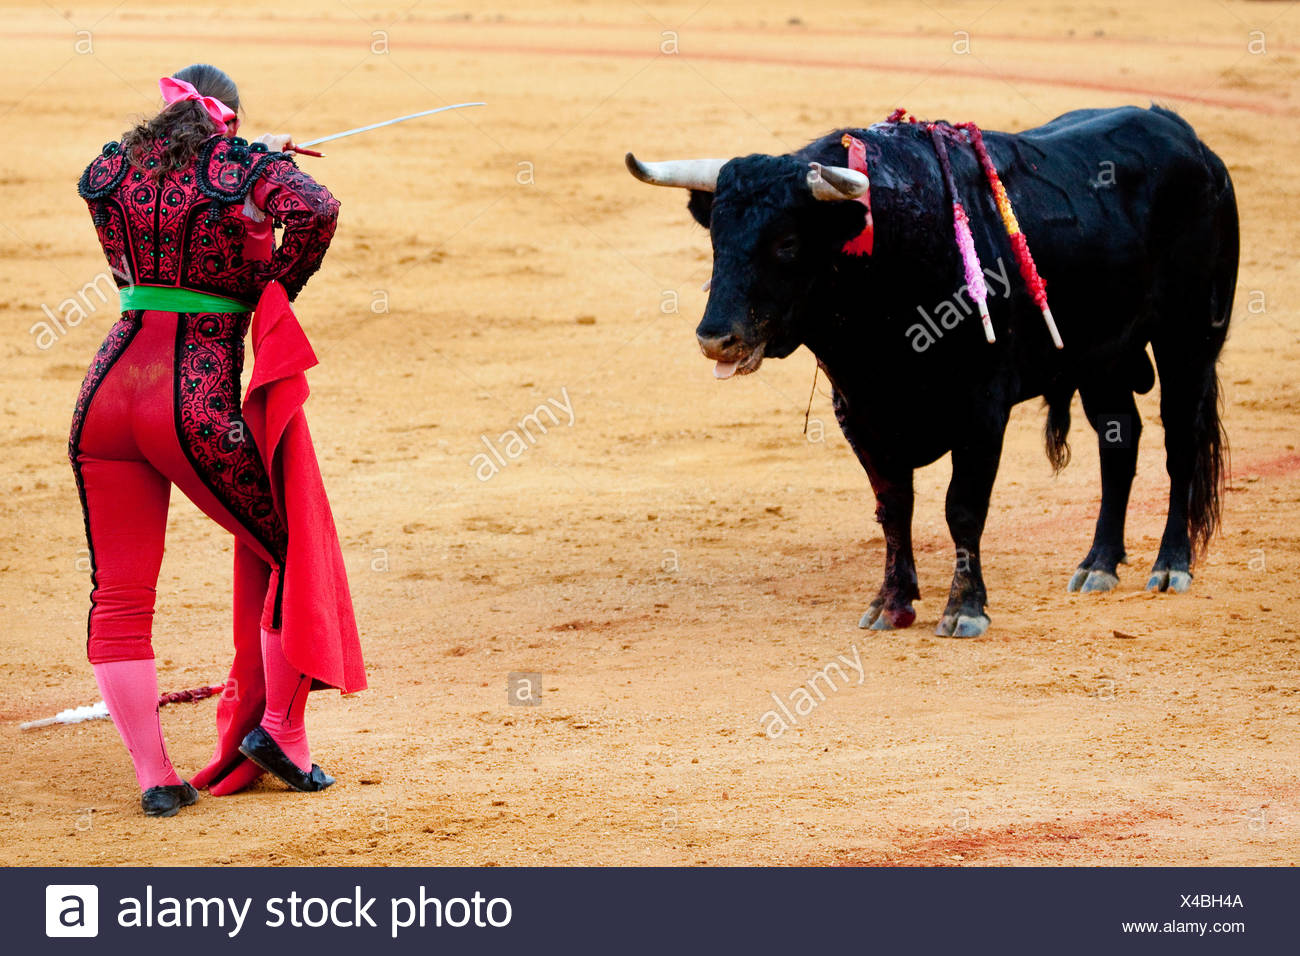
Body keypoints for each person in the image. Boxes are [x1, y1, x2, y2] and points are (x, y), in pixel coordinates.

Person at [71, 63, 364, 817]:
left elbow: (130, 199)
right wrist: (270, 277)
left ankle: (155, 780)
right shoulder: (240, 167)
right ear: (230, 119)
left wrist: (246, 169)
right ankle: (281, 732)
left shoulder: (112, 168)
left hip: (106, 396)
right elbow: (317, 208)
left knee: (120, 596)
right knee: (291, 553)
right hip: (191, 401)